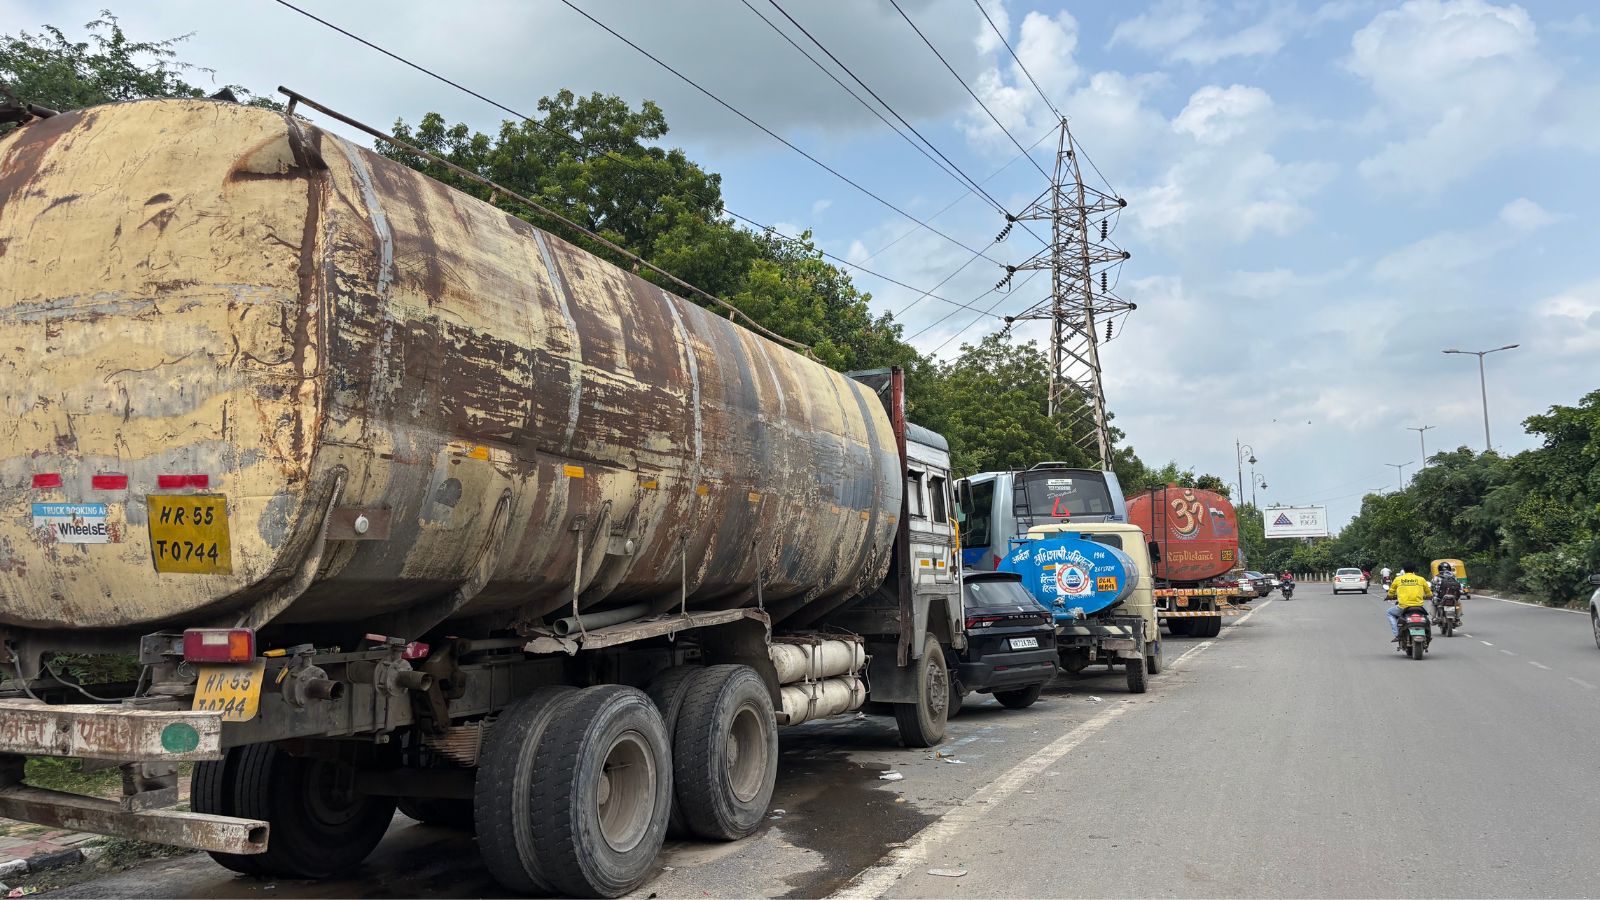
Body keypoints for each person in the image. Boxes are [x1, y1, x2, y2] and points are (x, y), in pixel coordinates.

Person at [1385, 564, 1431, 641]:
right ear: (1414, 570)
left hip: (1403, 607)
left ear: (1404, 570)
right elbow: (1428, 592)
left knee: (1389, 613)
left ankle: (1397, 635)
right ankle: (1428, 635)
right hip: (1418, 606)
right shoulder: (1420, 579)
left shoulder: (1398, 579)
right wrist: (1429, 596)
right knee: (1426, 618)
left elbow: (1391, 592)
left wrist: (1389, 596)